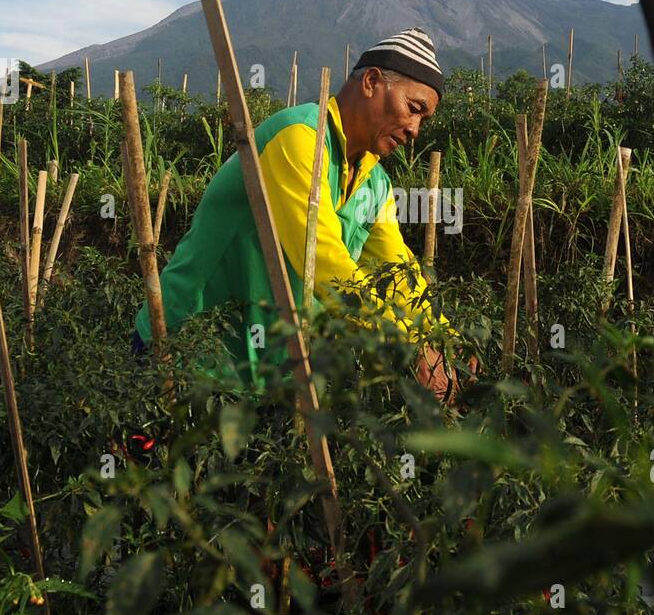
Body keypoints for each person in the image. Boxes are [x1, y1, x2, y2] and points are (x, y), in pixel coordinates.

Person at [132, 28, 468, 400]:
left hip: (260, 371)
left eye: (424, 119)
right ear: (372, 81)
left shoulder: (374, 180)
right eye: (414, 108)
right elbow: (326, 266)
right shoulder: (299, 138)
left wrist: (443, 340)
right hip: (184, 352)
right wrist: (407, 345)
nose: (415, 130)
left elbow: (396, 268)